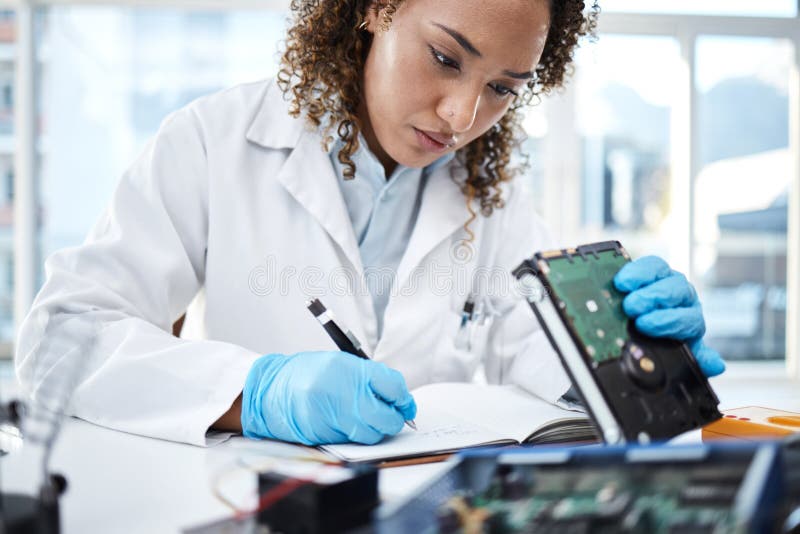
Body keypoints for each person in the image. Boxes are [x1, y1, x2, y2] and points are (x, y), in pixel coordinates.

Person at [15, 0, 724, 447]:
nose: (462, 117)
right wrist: (256, 394)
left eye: (502, 89)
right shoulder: (215, 140)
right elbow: (61, 340)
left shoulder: (494, 192)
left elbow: (532, 355)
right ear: (379, 8)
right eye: (446, 58)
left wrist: (625, 355)